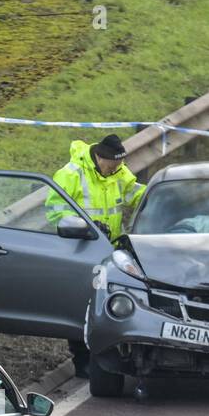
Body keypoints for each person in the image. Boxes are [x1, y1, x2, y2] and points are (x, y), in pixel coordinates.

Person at [46, 134, 146, 377]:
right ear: (99, 157)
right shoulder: (70, 174)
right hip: (80, 248)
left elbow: (136, 194)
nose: (115, 170)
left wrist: (163, 196)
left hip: (111, 250)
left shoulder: (118, 171)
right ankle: (82, 362)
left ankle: (109, 359)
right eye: (111, 165)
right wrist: (86, 224)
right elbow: (55, 212)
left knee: (110, 304)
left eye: (119, 165)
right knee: (83, 306)